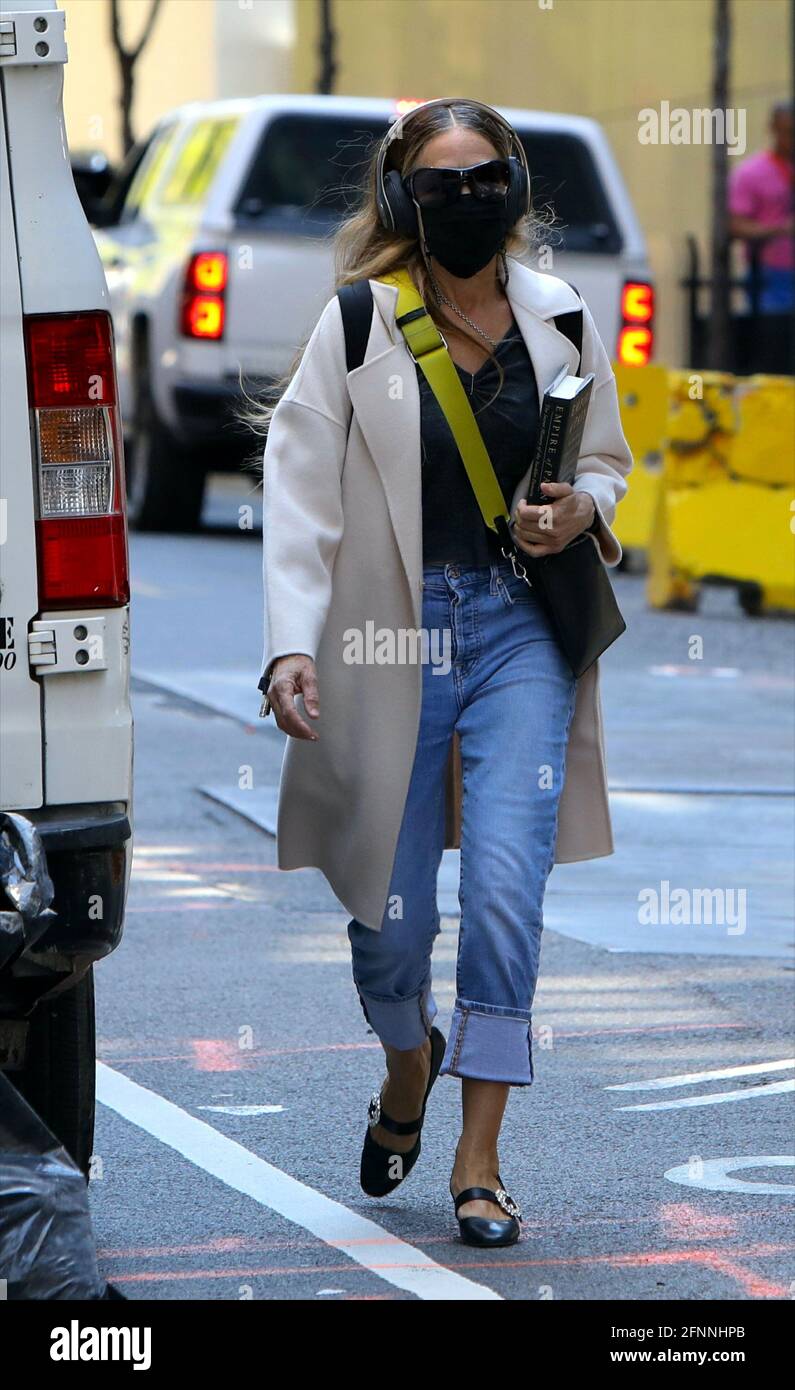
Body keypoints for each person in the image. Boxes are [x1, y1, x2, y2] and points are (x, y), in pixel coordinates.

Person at [256, 98, 632, 1247]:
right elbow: (300, 493)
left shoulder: (561, 315)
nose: (464, 202)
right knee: (391, 914)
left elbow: (609, 463)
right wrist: (288, 643)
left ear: (514, 188)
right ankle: (406, 1062)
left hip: (523, 630)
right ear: (398, 199)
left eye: (484, 181)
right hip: (393, 638)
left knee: (510, 892)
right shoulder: (361, 323)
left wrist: (583, 508)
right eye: (439, 183)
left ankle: (478, 1156)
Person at [728, 101, 794, 315]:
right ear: (773, 129)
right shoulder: (751, 173)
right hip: (770, 276)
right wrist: (780, 229)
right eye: (788, 132)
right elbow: (735, 225)